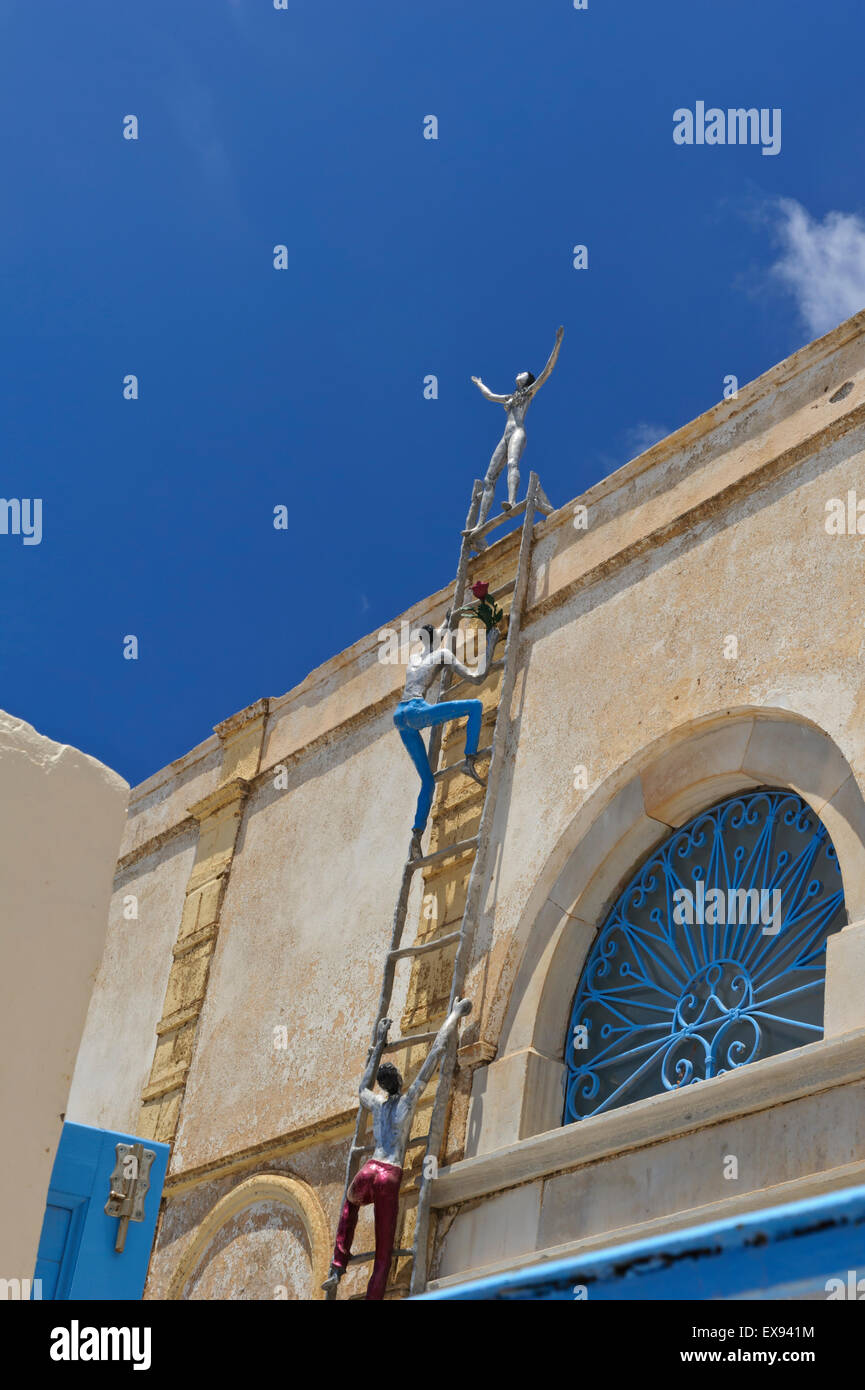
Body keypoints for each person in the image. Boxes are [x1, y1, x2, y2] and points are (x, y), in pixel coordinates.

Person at [322, 997, 472, 1300]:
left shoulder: (376, 1104)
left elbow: (361, 1088)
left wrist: (379, 1044)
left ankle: (338, 1266)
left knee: (350, 1204)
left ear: (383, 1085)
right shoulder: (406, 1101)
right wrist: (454, 1015)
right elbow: (434, 1055)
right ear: (399, 1082)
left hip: (369, 1169)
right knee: (383, 1255)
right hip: (389, 1174)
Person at [394, 615, 501, 859]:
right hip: (416, 710)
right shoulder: (442, 655)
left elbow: (437, 632)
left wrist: (447, 620)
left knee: (428, 782)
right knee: (474, 706)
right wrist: (491, 641)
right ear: (439, 638)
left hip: (400, 717)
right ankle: (468, 760)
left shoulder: (413, 658)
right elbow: (477, 677)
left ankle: (416, 836)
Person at [470, 325, 563, 530]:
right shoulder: (510, 398)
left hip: (518, 432)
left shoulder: (528, 393)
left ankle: (511, 501)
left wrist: (557, 345)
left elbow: (547, 371)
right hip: (505, 436)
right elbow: (490, 395)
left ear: (526, 379)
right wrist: (479, 383)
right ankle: (480, 524)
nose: (517, 373)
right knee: (489, 478)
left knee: (512, 463)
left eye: (522, 372)